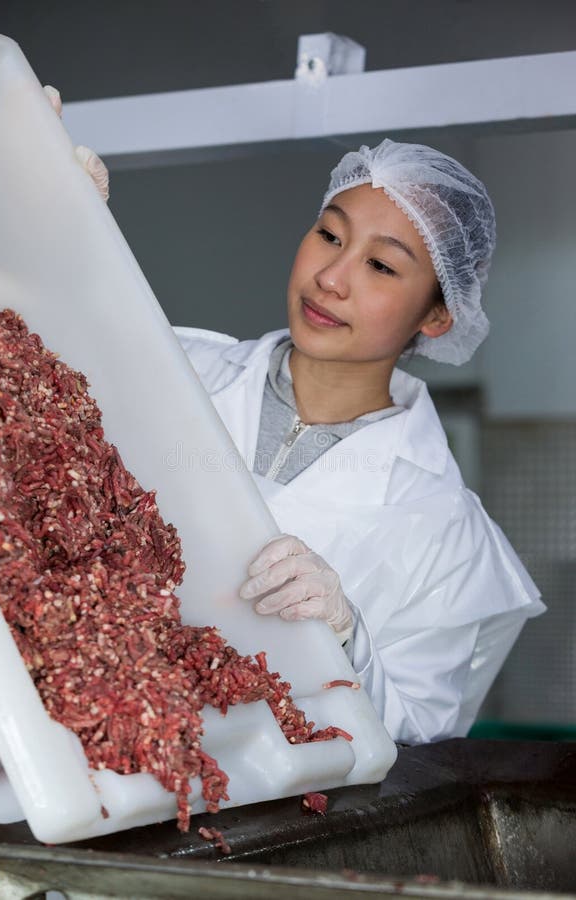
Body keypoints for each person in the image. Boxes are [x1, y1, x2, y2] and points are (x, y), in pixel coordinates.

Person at [59, 90, 544, 744]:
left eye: (379, 265)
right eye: (329, 235)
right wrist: (42, 222)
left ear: (435, 316)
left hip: (250, 818)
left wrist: (347, 637)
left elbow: (420, 744)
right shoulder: (172, 363)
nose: (331, 278)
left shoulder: (445, 532)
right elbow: (19, 379)